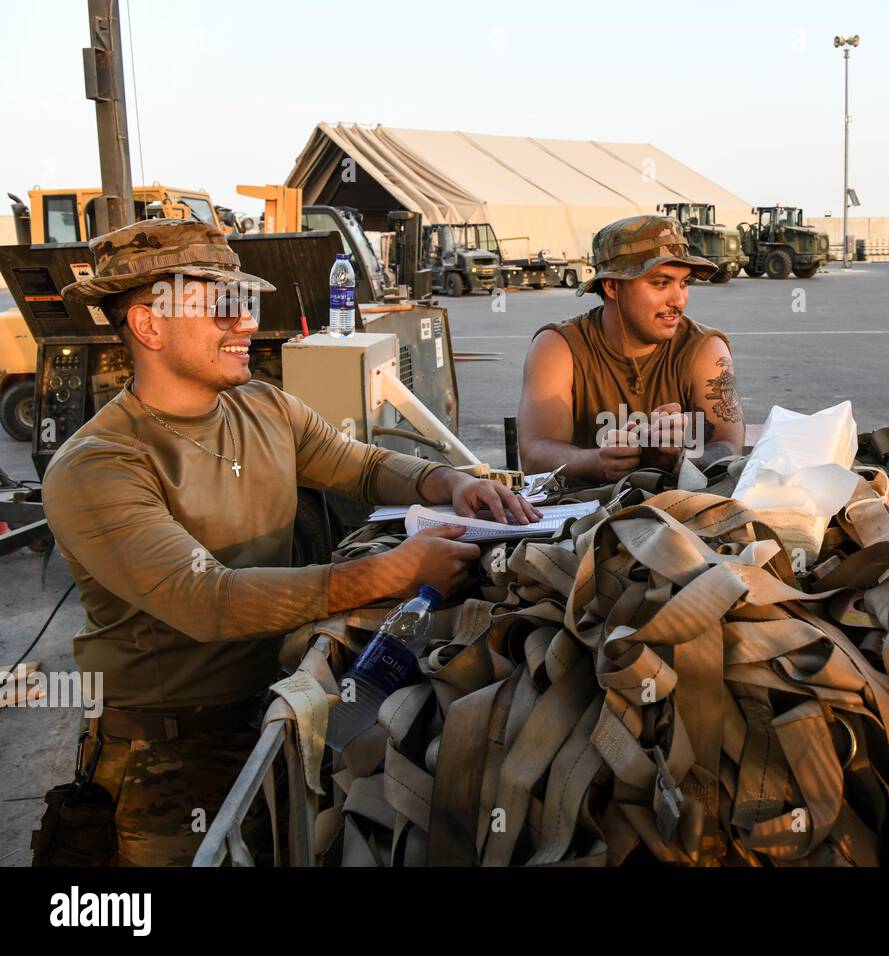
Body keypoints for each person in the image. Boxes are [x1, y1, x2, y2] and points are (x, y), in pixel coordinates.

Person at [43, 218, 539, 865]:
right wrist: (394, 572)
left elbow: (359, 466)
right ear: (149, 326)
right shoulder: (99, 466)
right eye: (220, 305)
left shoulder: (265, 409)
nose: (246, 323)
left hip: (286, 709)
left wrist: (445, 480)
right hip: (174, 756)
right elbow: (205, 601)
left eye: (244, 303)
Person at [517, 215, 744, 484]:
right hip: (586, 517)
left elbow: (730, 446)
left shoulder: (704, 349)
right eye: (661, 283)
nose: (678, 300)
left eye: (683, 283)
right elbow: (534, 455)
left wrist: (682, 458)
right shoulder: (559, 347)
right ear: (612, 285)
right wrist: (598, 462)